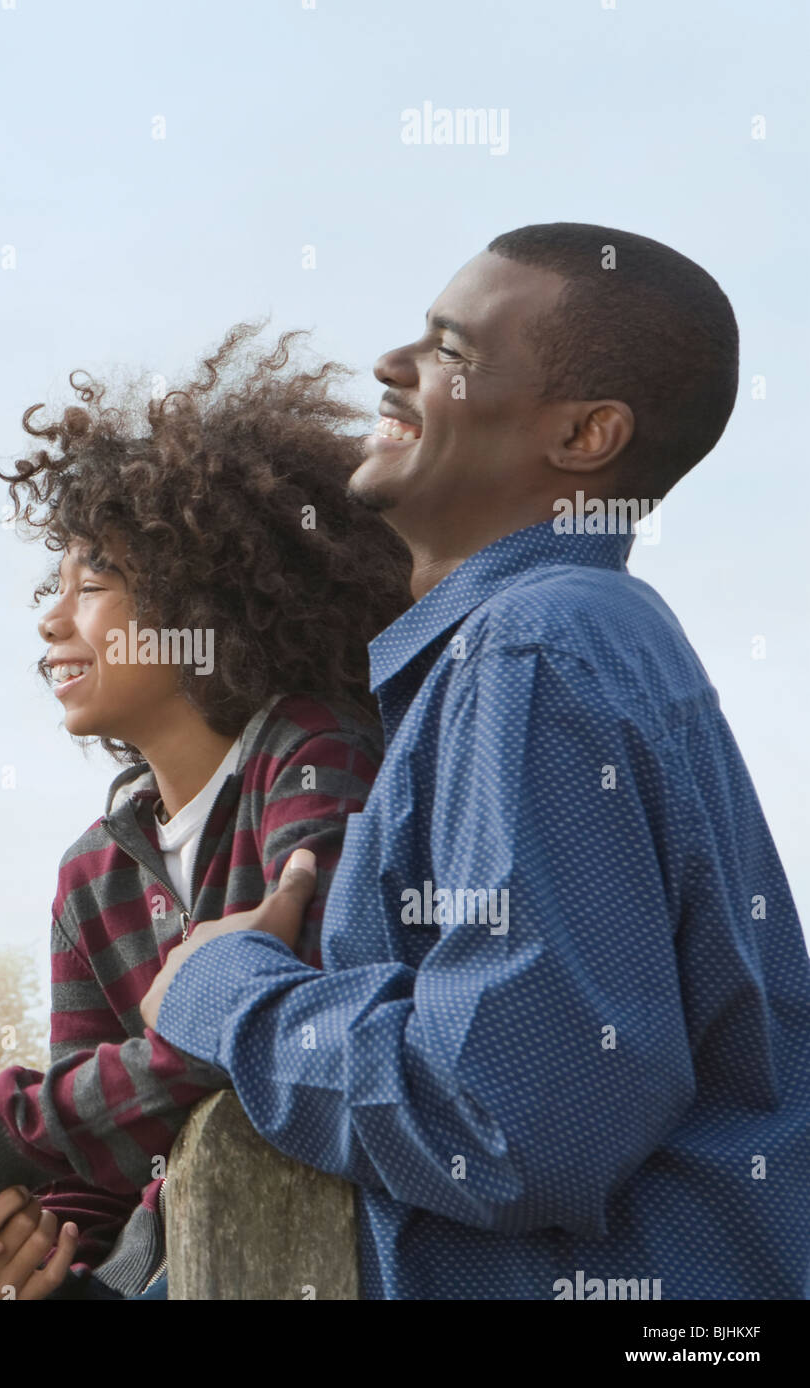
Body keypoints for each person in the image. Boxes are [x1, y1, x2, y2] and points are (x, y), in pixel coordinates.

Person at [139, 223, 810, 1299]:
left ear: (586, 435)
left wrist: (228, 988)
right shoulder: (557, 644)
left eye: (450, 351)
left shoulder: (532, 650)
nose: (391, 366)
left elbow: (513, 1119)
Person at [0, 323, 412, 1299]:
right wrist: (16, 1252)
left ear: (202, 602)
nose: (53, 620)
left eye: (93, 583)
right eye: (52, 588)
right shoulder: (91, 876)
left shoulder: (315, 756)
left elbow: (283, 1021)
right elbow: (90, 1173)